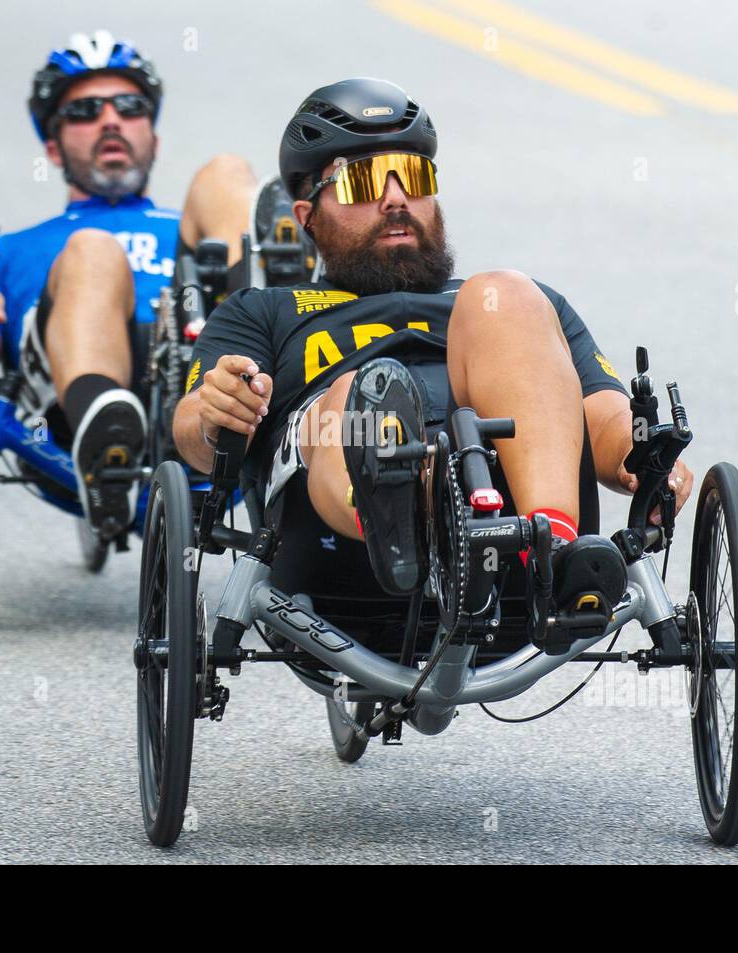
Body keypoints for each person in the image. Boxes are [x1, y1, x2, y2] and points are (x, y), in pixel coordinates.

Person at [173, 77, 695, 652]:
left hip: (511, 527)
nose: (396, 198)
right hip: (335, 550)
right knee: (362, 394)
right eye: (363, 181)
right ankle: (405, 519)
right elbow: (193, 434)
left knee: (508, 291)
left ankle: (553, 554)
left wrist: (644, 458)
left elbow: (600, 414)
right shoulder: (265, 311)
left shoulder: (506, 307)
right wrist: (218, 408)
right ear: (307, 215)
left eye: (415, 177)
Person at [0, 30, 301, 536]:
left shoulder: (189, 222)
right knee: (93, 249)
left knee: (224, 172)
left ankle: (287, 301)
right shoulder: (5, 252)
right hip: (66, 401)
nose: (110, 120)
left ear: (153, 135)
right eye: (85, 112)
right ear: (53, 145)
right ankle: (105, 427)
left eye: (129, 107)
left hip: (210, 378)